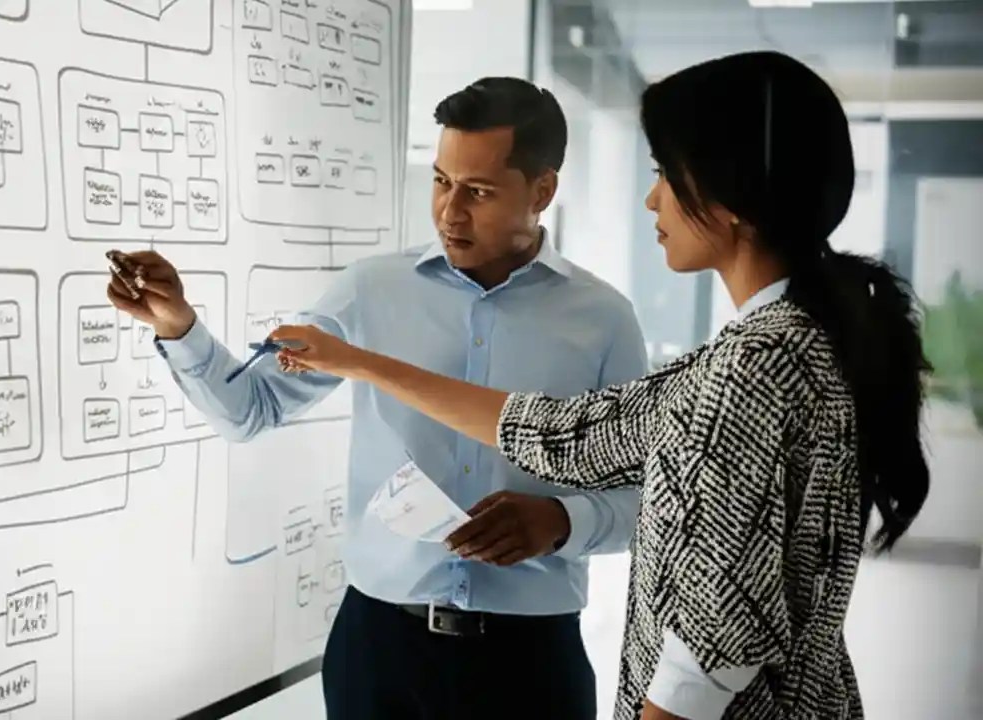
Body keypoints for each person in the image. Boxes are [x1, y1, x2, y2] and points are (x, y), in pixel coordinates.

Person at [267, 51, 931, 720]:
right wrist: (362, 362)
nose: (653, 198)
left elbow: (718, 635)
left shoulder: (750, 367)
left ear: (731, 201)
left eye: (666, 175)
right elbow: (568, 432)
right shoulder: (790, 342)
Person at [106, 77, 647, 718]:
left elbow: (645, 500)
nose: (450, 212)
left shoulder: (603, 320)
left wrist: (560, 522)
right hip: (380, 653)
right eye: (442, 181)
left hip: (529, 663)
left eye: (478, 191)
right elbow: (253, 409)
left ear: (542, 191)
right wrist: (177, 325)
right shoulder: (370, 290)